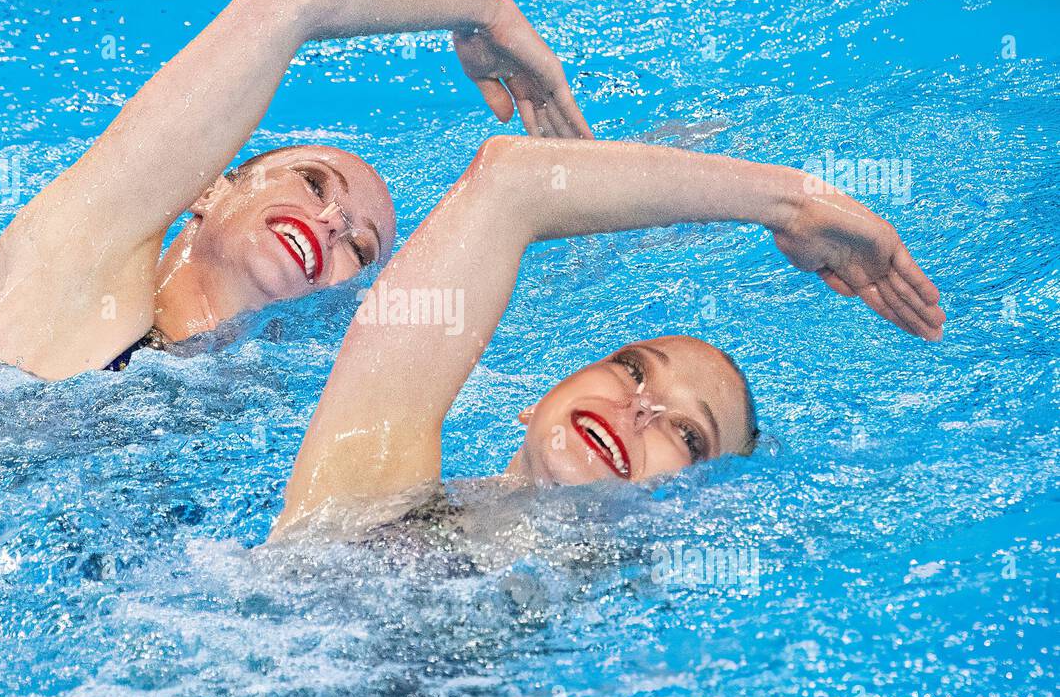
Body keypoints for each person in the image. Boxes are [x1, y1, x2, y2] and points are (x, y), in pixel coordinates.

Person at [0, 0, 592, 381]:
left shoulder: (264, 416)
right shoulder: (70, 284)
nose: (334, 222)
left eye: (360, 249)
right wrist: (486, 9)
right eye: (312, 183)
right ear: (205, 190)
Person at [273, 134, 946, 541]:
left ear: (685, 509)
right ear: (534, 402)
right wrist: (790, 202)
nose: (643, 409)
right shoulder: (361, 485)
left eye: (688, 437)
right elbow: (508, 182)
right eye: (631, 370)